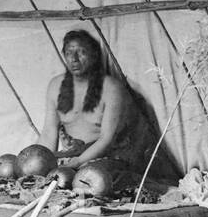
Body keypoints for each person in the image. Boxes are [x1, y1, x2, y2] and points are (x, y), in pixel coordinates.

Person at [40, 29, 154, 180]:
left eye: (81, 52)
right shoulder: (55, 86)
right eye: (69, 53)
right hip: (71, 158)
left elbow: (107, 139)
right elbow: (49, 132)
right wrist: (41, 161)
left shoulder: (111, 88)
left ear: (93, 55)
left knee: (89, 179)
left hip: (107, 158)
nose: (74, 59)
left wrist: (78, 162)